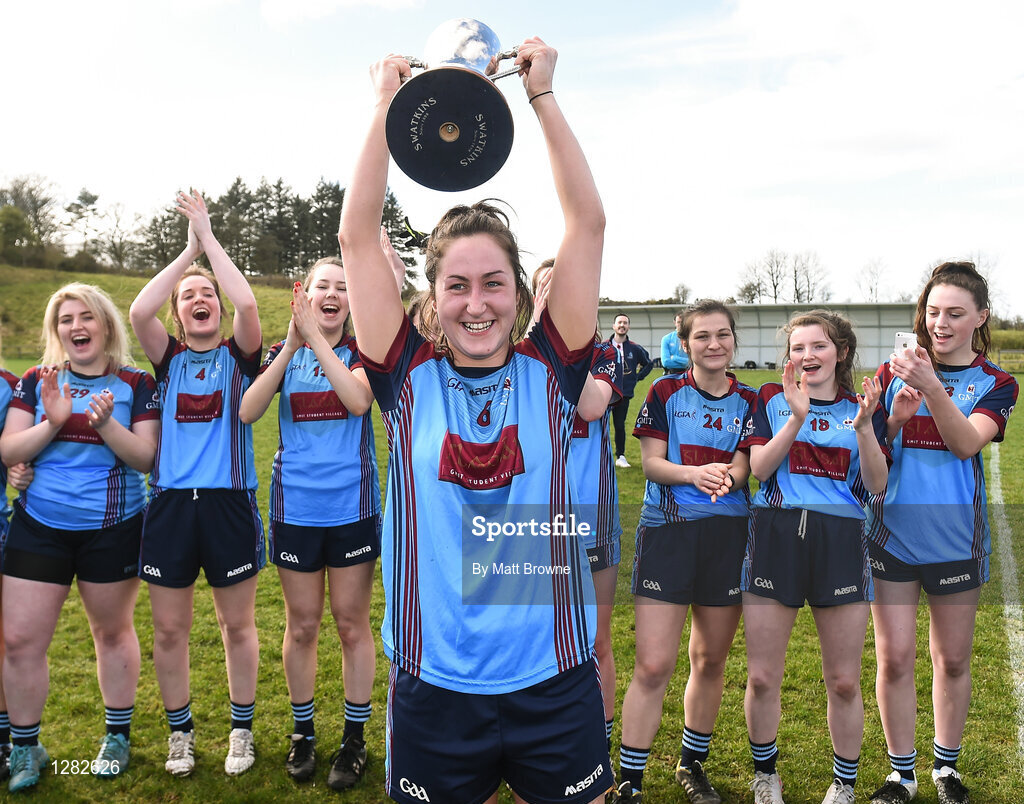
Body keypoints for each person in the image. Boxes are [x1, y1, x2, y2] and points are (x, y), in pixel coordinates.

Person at [337, 38, 611, 804]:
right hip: (435, 686)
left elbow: (585, 225)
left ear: (520, 296)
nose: (478, 302)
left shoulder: (553, 371)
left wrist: (543, 98)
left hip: (553, 680)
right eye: (457, 285)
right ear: (433, 298)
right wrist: (386, 108)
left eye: (495, 283)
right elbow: (357, 237)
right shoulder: (406, 377)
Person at [865, 263, 1017, 804]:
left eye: (955, 313)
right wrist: (890, 420)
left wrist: (931, 387)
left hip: (956, 539)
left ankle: (944, 768)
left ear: (980, 318)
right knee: (895, 657)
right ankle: (900, 774)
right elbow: (872, 452)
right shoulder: (891, 372)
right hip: (893, 537)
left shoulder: (996, 383)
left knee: (951, 659)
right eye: (933, 312)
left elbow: (965, 444)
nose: (941, 323)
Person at [0, 284, 159, 791]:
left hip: (112, 530)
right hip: (39, 527)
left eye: (86, 317)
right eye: (65, 319)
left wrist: (108, 423)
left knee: (111, 634)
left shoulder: (137, 382)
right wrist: (55, 423)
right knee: (21, 640)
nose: (76, 327)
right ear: (57, 331)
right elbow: (10, 450)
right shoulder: (36, 381)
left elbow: (146, 458)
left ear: (106, 325)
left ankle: (117, 737)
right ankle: (26, 748)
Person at [128, 190, 264, 778]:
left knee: (238, 625)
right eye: (189, 298)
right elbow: (138, 312)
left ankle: (241, 730)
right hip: (171, 509)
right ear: (179, 317)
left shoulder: (241, 355)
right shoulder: (168, 359)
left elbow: (248, 302)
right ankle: (179, 734)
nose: (200, 300)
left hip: (229, 506)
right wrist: (186, 256)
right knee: (169, 629)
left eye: (206, 293)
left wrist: (209, 241)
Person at [239, 256, 381, 789]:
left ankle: (354, 739)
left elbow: (358, 400)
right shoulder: (285, 353)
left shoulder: (363, 354)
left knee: (350, 624)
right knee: (301, 626)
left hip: (352, 511)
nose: (333, 294)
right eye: (323, 285)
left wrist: (316, 343)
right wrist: (292, 347)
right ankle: (303, 733)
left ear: (351, 300)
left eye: (343, 287)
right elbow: (249, 410)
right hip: (295, 512)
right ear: (305, 294)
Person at [739, 310, 890, 804]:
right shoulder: (770, 398)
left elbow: (877, 485)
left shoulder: (864, 407)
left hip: (840, 543)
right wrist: (796, 416)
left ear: (841, 352)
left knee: (845, 680)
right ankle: (766, 775)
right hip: (775, 537)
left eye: (818, 346)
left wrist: (866, 428)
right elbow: (760, 469)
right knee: (762, 675)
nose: (807, 356)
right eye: (798, 347)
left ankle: (843, 783)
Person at [613, 300, 755, 804]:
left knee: (709, 660)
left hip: (728, 536)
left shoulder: (752, 400)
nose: (714, 344)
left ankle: (692, 765)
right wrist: (695, 474)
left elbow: (746, 467)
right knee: (653, 666)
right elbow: (651, 463)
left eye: (723, 335)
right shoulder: (665, 391)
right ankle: (629, 780)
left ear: (733, 340)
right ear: (685, 343)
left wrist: (728, 477)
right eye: (702, 337)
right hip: (668, 534)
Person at [532, 259, 623, 756]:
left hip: (593, 520)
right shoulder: (515, 350)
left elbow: (589, 405)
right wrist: (536, 325)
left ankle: (599, 744)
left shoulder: (605, 352)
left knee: (595, 640)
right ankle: (538, 742)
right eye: (550, 287)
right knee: (537, 635)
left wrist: (554, 340)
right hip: (532, 524)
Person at [605, 314, 652, 468]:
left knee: (619, 425)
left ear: (628, 327)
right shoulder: (604, 346)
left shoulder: (634, 348)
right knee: (600, 425)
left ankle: (621, 456)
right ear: (614, 326)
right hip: (603, 393)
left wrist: (637, 378)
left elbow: (648, 364)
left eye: (625, 323)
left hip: (623, 394)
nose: (622, 325)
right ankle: (600, 456)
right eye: (619, 322)